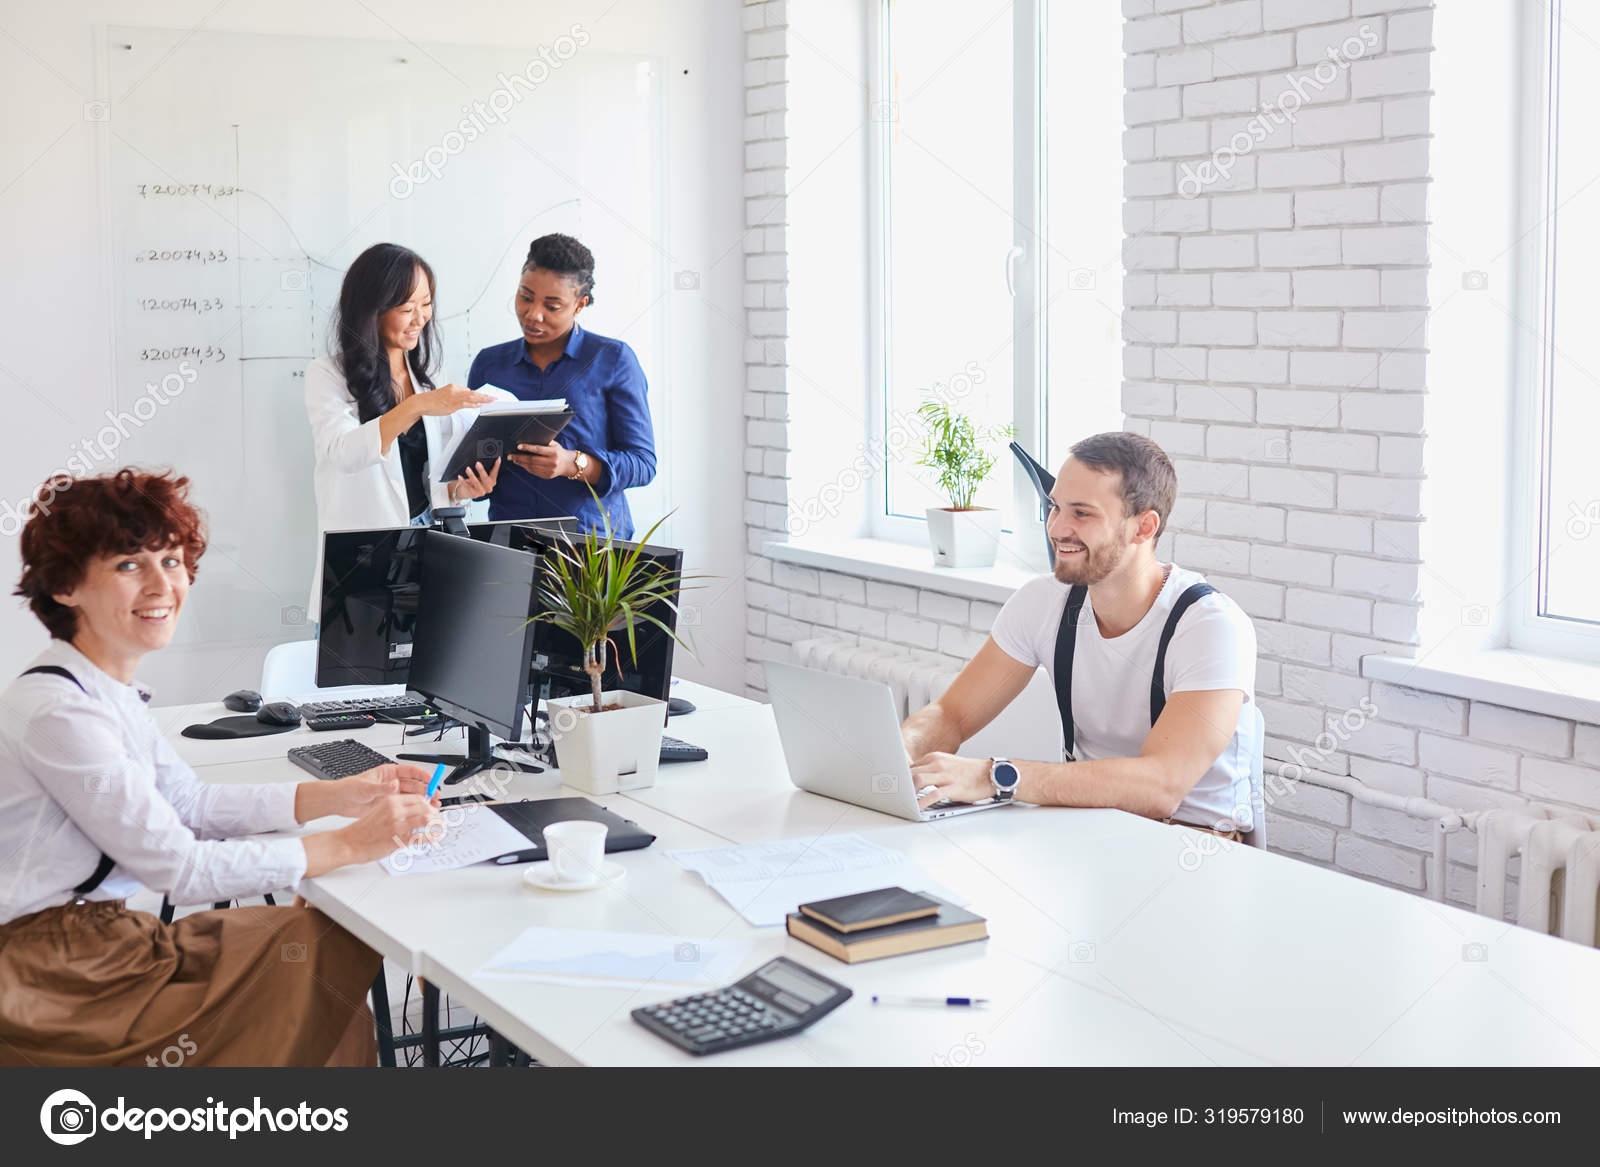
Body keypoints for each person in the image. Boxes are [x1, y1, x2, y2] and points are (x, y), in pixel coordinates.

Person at [0, 469, 442, 1066]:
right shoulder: (60, 710)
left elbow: (191, 805)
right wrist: (348, 844)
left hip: (99, 946)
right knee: (318, 955)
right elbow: (180, 869)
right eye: (129, 565)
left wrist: (341, 794)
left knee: (320, 959)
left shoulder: (101, 689)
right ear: (65, 587)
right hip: (54, 975)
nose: (162, 584)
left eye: (172, 561)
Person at [902, 432, 1260, 837]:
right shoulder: (1043, 602)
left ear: (1143, 527)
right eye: (1055, 507)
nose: (1057, 528)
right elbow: (951, 714)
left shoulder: (1210, 627)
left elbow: (1161, 786)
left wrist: (994, 776)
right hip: (1090, 827)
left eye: (1082, 514)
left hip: (1192, 841)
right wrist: (900, 751)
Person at [305, 242, 511, 615]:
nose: (420, 318)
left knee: (430, 652)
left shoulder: (428, 377)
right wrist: (416, 406)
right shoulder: (328, 374)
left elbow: (428, 482)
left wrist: (462, 490)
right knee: (360, 652)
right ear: (372, 310)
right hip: (363, 559)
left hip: (429, 548)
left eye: (426, 304)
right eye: (406, 309)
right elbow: (344, 453)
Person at [467, 233, 656, 537]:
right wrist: (473, 483)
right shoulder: (489, 364)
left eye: (552, 306)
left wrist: (573, 464)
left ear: (580, 304)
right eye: (525, 297)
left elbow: (643, 463)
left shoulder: (613, 359)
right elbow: (475, 461)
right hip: (509, 540)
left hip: (592, 545)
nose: (533, 315)